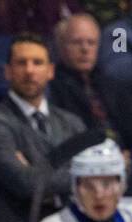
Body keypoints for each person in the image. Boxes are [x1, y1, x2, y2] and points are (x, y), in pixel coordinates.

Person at [0, 33, 103, 222]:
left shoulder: (71, 122)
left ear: (50, 71)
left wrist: (37, 172)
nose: (30, 71)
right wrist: (79, 177)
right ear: (7, 71)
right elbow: (26, 184)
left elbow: (93, 178)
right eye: (21, 63)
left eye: (37, 63)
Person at [51, 13, 126, 141]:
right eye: (76, 42)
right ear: (60, 46)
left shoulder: (111, 85)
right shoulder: (51, 87)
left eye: (91, 43)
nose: (85, 49)